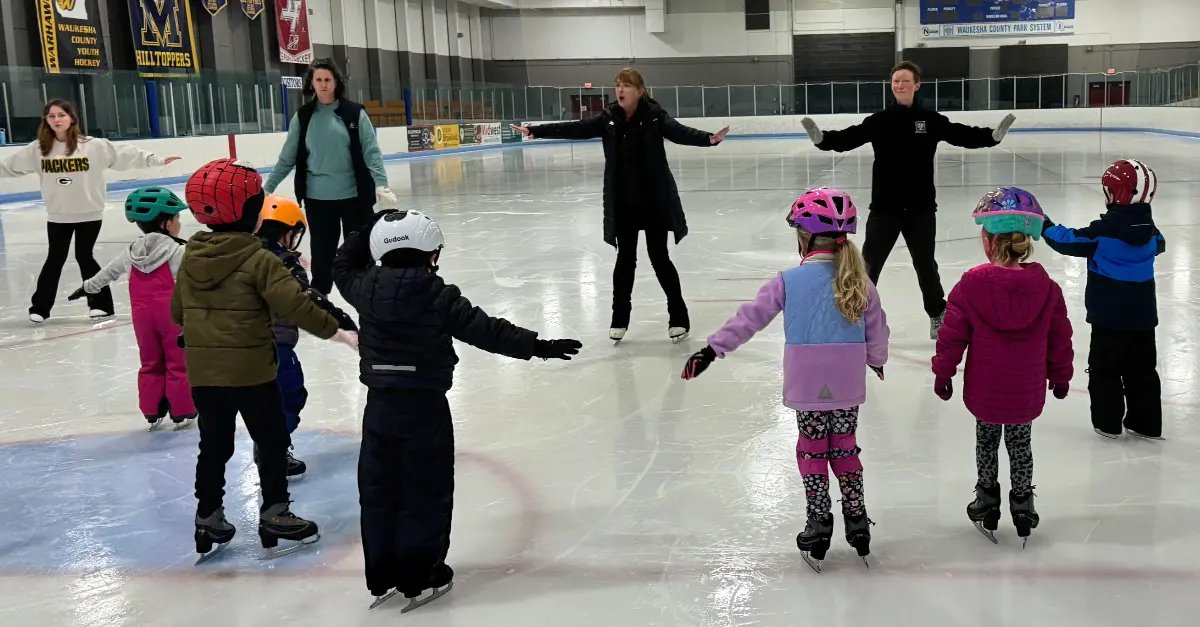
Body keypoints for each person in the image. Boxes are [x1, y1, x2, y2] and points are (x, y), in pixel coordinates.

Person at [331, 209, 582, 610]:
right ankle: (421, 575)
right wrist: (537, 346)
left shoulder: (362, 286)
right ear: (430, 251)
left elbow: (341, 263)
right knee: (424, 492)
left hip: (379, 408)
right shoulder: (437, 294)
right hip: (424, 408)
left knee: (380, 491)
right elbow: (486, 330)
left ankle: (383, 575)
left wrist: (368, 227)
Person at [679, 187, 889, 573]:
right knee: (844, 447)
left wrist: (711, 350)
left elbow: (749, 319)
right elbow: (877, 328)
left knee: (812, 450)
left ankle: (819, 521)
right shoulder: (860, 280)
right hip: (846, 383)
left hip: (807, 383)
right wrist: (876, 360)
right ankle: (857, 519)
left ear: (804, 236)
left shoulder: (788, 281)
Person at [174, 158, 356, 563]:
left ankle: (208, 517)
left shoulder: (191, 256)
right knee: (271, 443)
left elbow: (176, 313)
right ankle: (274, 512)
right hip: (253, 371)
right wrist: (340, 333)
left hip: (204, 375)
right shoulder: (260, 259)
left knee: (213, 446)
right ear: (251, 211)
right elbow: (298, 308)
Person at [511, 68, 730, 343]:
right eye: (617, 85)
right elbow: (577, 128)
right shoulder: (609, 118)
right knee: (625, 261)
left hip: (654, 202)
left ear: (639, 91)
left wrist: (708, 139)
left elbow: (679, 132)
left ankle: (678, 317)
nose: (620, 90)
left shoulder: (654, 116)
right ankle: (619, 318)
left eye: (626, 85)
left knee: (659, 258)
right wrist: (536, 131)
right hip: (623, 203)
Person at [800, 61, 1017, 339]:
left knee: (926, 265)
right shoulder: (879, 121)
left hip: (921, 209)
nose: (900, 86)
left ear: (917, 85)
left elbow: (961, 134)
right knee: (868, 265)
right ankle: (855, 314)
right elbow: (847, 138)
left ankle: (937, 315)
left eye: (905, 81)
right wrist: (822, 139)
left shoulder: (929, 120)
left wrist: (991, 137)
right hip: (885, 208)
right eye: (895, 82)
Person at [931, 187, 1073, 548]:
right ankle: (1023, 504)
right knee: (1020, 443)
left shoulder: (971, 286)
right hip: (1026, 391)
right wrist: (1060, 376)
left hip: (986, 390)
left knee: (986, 442)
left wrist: (944, 372)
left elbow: (952, 336)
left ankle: (987, 500)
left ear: (988, 241)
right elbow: (1060, 337)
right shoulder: (1047, 288)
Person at [0, 99, 180, 323]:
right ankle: (40, 308)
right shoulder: (38, 149)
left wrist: (156, 160)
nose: (56, 120)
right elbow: (10, 166)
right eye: (52, 116)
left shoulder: (93, 146)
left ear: (72, 118)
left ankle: (101, 305)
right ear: (46, 120)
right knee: (55, 258)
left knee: (84, 256)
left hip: (89, 213)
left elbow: (124, 154)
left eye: (61, 115)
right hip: (58, 215)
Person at [1040, 159, 1166, 440]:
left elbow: (1067, 240)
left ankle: (1108, 423)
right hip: (1144, 317)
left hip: (1109, 317)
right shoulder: (1151, 232)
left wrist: (1044, 225)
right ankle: (1146, 424)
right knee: (1143, 370)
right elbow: (1161, 244)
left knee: (1105, 370)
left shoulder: (1103, 232)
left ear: (1119, 193)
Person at [265, 58, 397, 295]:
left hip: (355, 197)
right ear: (312, 84)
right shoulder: (304, 117)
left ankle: (365, 297)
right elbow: (287, 158)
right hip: (318, 199)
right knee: (322, 254)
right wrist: (267, 188)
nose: (323, 84)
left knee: (359, 253)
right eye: (319, 80)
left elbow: (371, 152)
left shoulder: (354, 113)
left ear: (336, 82)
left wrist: (381, 184)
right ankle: (319, 298)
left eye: (328, 79)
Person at [68, 187, 196, 431]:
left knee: (150, 362)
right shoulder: (179, 251)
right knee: (178, 361)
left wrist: (86, 288)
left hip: (142, 317)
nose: (179, 222)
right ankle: (182, 411)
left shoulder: (131, 252)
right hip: (172, 316)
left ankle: (152, 411)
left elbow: (107, 274)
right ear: (167, 224)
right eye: (177, 218)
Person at [254, 194, 360, 479]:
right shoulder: (286, 264)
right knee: (290, 395)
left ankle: (269, 445)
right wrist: (346, 325)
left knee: (260, 400)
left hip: (239, 345)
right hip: (277, 345)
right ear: (287, 232)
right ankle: (273, 448)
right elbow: (309, 299)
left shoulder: (243, 255)